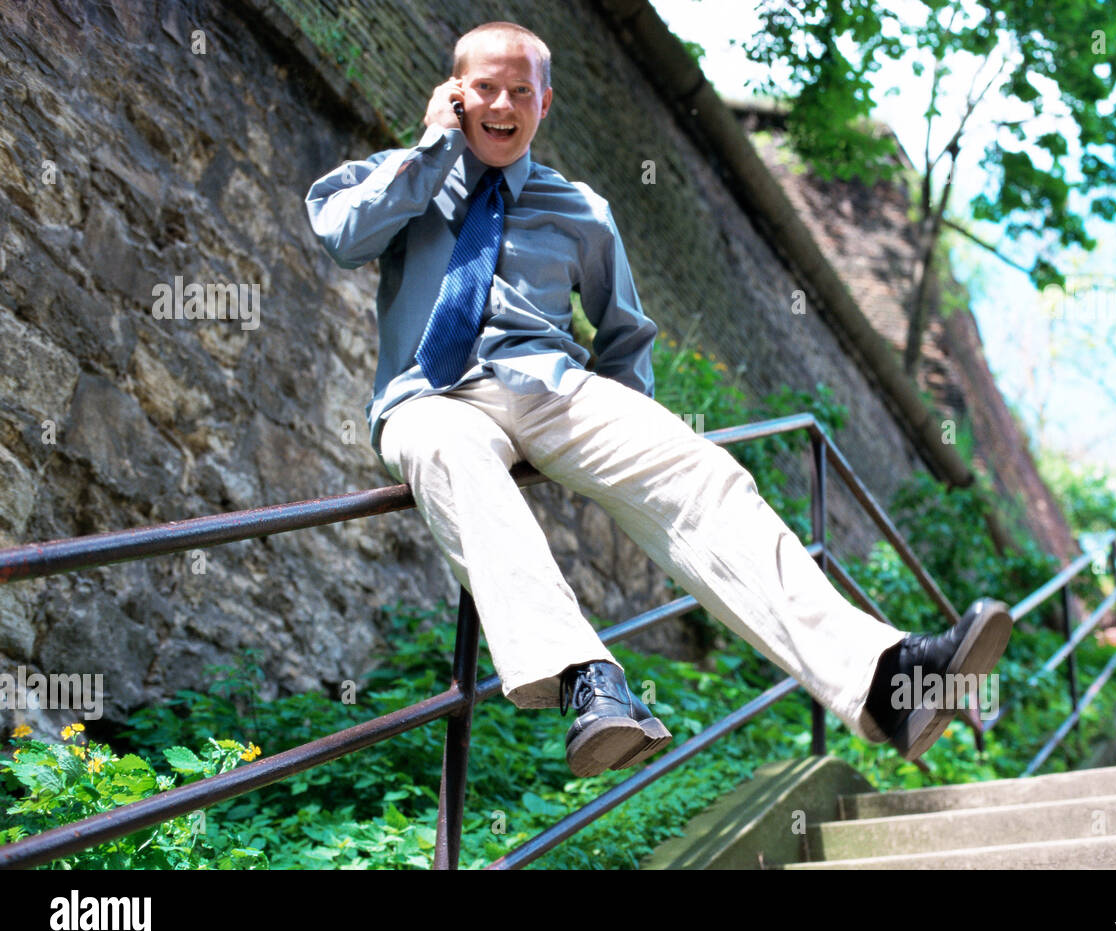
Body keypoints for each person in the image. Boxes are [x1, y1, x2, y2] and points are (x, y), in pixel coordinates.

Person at [305, 20, 1012, 778]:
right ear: (453, 92)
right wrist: (429, 147)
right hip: (430, 392)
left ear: (546, 102)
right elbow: (342, 234)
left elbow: (624, 333)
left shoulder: (580, 209)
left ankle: (887, 679)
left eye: (520, 90)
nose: (501, 103)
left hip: (549, 387)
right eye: (483, 87)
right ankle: (590, 685)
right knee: (446, 448)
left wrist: (619, 442)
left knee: (700, 473)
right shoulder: (406, 177)